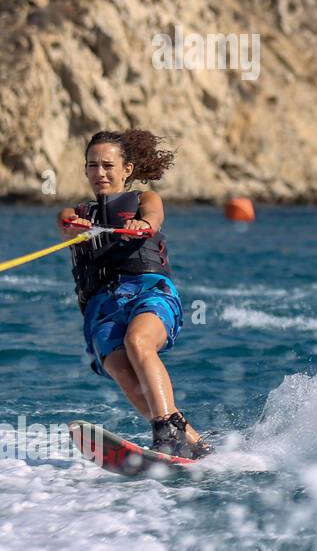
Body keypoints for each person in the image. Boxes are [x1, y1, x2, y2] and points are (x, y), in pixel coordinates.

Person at [57, 130, 212, 459]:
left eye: (108, 165)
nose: (100, 173)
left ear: (126, 169)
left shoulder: (146, 199)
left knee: (138, 342)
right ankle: (193, 442)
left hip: (148, 291)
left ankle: (166, 432)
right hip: (101, 307)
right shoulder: (78, 211)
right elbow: (65, 221)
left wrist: (144, 224)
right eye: (92, 165)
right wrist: (75, 226)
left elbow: (154, 218)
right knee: (120, 367)